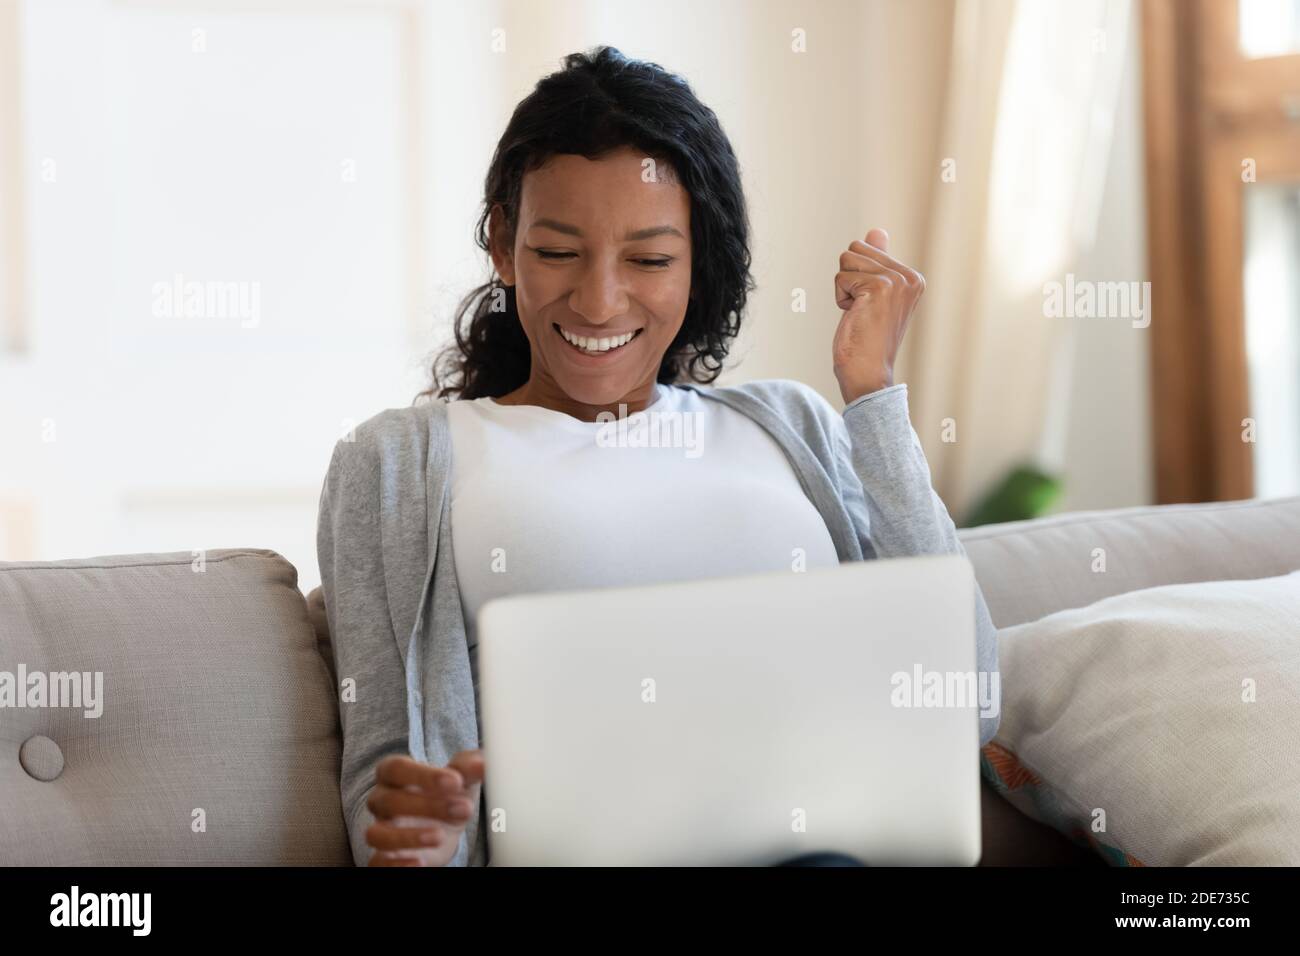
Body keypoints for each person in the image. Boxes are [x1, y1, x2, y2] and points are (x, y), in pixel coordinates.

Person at [316, 45, 1000, 868]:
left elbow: (970, 697)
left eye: (648, 259)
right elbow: (388, 777)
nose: (600, 299)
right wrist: (417, 840)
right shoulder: (395, 466)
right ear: (503, 244)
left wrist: (873, 396)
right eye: (558, 252)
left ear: (697, 261)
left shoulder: (794, 426)